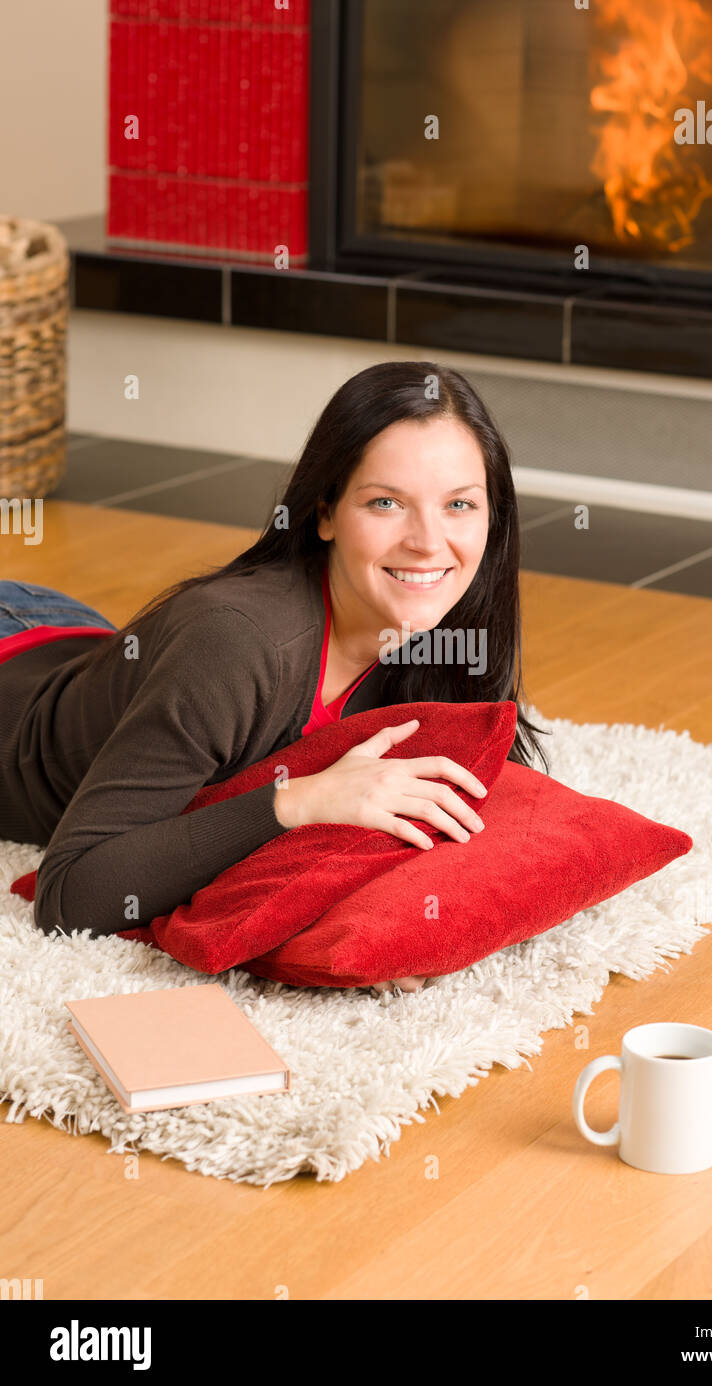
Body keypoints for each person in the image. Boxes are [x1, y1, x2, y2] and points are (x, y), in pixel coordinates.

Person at [0, 360, 548, 992]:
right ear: (325, 515)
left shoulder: (438, 639)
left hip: (68, 630)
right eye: (386, 503)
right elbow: (70, 893)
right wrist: (299, 802)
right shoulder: (236, 647)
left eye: (459, 505)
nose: (429, 542)